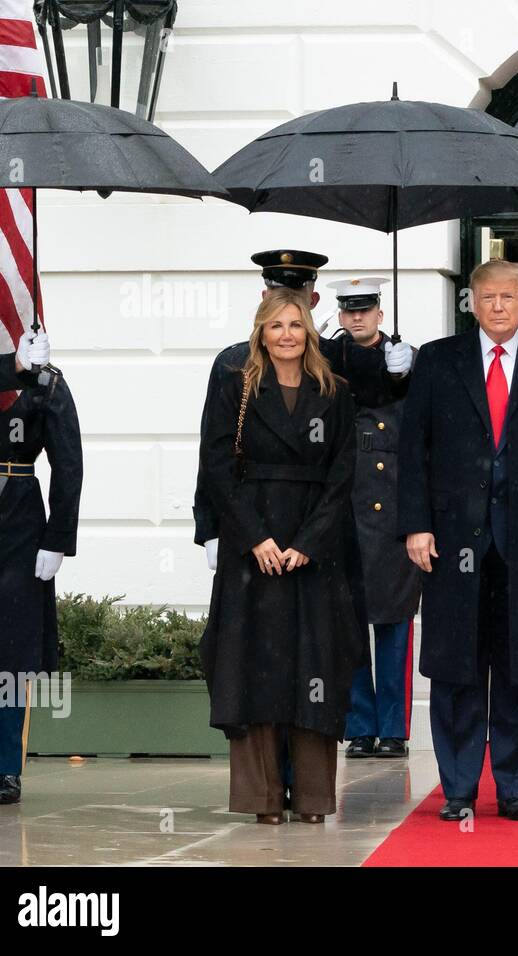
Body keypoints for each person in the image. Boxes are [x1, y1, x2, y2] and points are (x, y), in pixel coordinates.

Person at [397, 259, 518, 822]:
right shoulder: (437, 360)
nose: (498, 306)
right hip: (452, 538)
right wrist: (415, 523)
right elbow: (413, 449)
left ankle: (514, 788)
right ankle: (457, 787)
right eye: (487, 297)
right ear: (472, 303)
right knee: (456, 667)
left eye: (509, 296)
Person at [199, 288, 365, 825]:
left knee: (314, 663)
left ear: (310, 331)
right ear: (261, 332)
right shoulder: (236, 386)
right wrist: (255, 539)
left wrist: (307, 544)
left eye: (296, 324)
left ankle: (314, 798)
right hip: (254, 546)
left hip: (315, 549)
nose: (287, 334)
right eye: (276, 326)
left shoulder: (335, 390)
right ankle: (263, 799)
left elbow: (344, 474)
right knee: (256, 667)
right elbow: (218, 467)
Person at [193, 250, 412, 570]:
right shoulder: (234, 365)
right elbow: (214, 454)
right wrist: (209, 525)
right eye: (279, 297)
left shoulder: (336, 358)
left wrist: (396, 373)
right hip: (255, 518)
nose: (288, 306)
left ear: (312, 300)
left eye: (297, 296)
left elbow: (380, 391)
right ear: (264, 298)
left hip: (319, 523)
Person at [0, 286, 73, 806]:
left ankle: (5, 765)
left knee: (9, 651)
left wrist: (58, 538)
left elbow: (68, 464)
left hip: (17, 521)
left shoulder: (45, 383)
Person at [325, 277, 423, 759]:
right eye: (350, 311)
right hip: (342, 509)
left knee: (393, 623)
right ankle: (359, 725)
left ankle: (394, 729)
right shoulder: (324, 359)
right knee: (349, 623)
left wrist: (407, 373)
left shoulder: (407, 358)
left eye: (366, 310)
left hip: (392, 511)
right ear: (341, 315)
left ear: (380, 314)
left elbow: (424, 430)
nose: (357, 318)